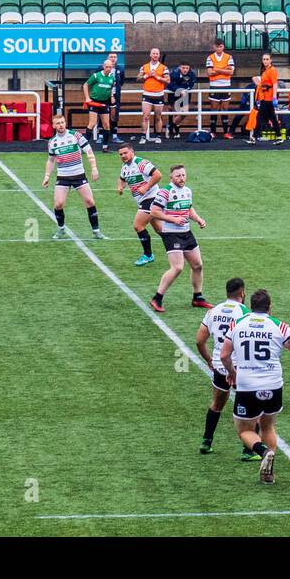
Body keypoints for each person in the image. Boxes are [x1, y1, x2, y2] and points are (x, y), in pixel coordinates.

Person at [220, 288, 290, 484]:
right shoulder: (279, 326)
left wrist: (232, 373)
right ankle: (268, 473)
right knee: (268, 426)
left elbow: (224, 355)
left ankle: (262, 451)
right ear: (269, 307)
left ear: (251, 307)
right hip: (273, 385)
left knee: (244, 430)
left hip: (247, 385)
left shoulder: (237, 324)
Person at [147, 164, 213, 314]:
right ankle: (157, 298)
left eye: (183, 175)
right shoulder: (165, 192)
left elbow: (189, 208)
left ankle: (198, 297)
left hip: (186, 233)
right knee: (177, 267)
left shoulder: (187, 191)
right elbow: (154, 211)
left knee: (198, 265)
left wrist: (198, 219)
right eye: (178, 176)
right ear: (171, 178)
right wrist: (172, 219)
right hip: (171, 234)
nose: (181, 178)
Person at [196, 278, 248, 456]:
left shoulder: (213, 311)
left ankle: (206, 441)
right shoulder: (244, 312)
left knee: (217, 405)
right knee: (249, 407)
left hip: (219, 365)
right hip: (239, 367)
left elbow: (199, 341)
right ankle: (248, 450)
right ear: (242, 292)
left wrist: (209, 359)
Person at [42, 114, 105, 241]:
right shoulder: (52, 142)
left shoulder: (76, 135)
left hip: (79, 175)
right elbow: (50, 160)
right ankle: (61, 229)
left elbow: (89, 151)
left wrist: (94, 167)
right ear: (54, 125)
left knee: (90, 202)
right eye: (58, 123)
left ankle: (96, 231)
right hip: (63, 177)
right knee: (58, 204)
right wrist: (47, 176)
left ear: (65, 123)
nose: (61, 125)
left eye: (62, 122)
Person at [116, 143, 162, 267]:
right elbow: (122, 178)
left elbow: (158, 175)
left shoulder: (141, 163)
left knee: (138, 225)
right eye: (121, 154)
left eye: (125, 153)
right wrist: (120, 187)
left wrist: (146, 187)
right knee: (160, 229)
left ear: (132, 152)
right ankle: (180, 246)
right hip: (143, 201)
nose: (123, 156)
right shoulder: (125, 167)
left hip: (152, 198)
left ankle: (148, 255)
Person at [82, 56, 119, 150]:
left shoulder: (112, 78)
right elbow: (85, 85)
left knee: (106, 125)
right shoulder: (96, 75)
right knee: (92, 123)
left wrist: (111, 97)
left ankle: (105, 147)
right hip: (94, 102)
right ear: (103, 66)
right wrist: (87, 98)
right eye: (107, 67)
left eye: (110, 67)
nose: (108, 69)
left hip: (104, 103)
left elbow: (110, 88)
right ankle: (84, 147)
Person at [248, 52, 284, 145]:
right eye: (264, 59)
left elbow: (275, 83)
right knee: (272, 118)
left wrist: (274, 97)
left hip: (268, 98)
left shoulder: (272, 71)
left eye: (267, 59)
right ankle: (279, 137)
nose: (265, 61)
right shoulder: (265, 71)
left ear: (270, 60)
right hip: (265, 98)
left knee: (260, 117)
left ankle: (254, 137)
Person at [137, 48, 169, 144]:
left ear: (159, 55)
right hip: (147, 94)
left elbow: (168, 80)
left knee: (158, 117)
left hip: (159, 94)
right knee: (145, 117)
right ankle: (143, 136)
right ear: (150, 55)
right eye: (153, 53)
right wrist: (147, 76)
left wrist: (157, 76)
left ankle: (158, 136)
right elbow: (138, 78)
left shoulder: (164, 67)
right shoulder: (144, 67)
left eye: (157, 54)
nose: (155, 55)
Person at [205, 39, 235, 140]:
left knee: (224, 109)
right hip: (214, 85)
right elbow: (209, 72)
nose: (219, 48)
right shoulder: (210, 57)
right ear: (214, 47)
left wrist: (217, 69)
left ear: (223, 47)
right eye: (217, 46)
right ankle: (213, 132)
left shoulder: (229, 57)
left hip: (226, 85)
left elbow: (231, 72)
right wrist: (224, 69)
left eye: (221, 46)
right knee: (214, 109)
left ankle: (225, 132)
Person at [166, 59, 196, 139]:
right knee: (176, 112)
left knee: (184, 112)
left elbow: (191, 84)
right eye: (183, 68)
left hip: (185, 95)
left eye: (187, 68)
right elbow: (169, 85)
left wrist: (184, 90)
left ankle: (170, 126)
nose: (185, 70)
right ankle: (176, 132)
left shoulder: (192, 74)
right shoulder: (173, 73)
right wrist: (179, 89)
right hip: (174, 94)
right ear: (180, 67)